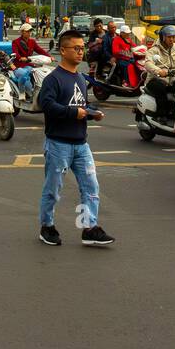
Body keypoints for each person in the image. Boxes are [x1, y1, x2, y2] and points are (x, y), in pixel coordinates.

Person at [37, 29, 114, 247]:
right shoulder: (53, 79)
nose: (81, 52)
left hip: (81, 144)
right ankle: (47, 227)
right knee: (53, 189)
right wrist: (75, 113)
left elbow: (79, 105)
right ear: (63, 50)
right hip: (58, 143)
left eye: (83, 48)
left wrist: (91, 112)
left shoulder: (80, 78)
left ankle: (89, 228)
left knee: (91, 187)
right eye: (76, 48)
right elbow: (47, 104)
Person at [141, 25, 175, 120]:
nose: (172, 39)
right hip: (155, 79)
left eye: (174, 37)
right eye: (169, 37)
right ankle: (161, 115)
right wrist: (159, 71)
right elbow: (148, 63)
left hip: (171, 80)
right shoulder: (154, 49)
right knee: (161, 89)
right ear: (162, 37)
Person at [11, 22, 50, 94]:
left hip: (30, 64)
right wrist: (20, 58)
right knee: (24, 76)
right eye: (27, 31)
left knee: (43, 74)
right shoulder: (15, 42)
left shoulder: (32, 42)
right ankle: (24, 93)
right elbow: (15, 53)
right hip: (19, 65)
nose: (29, 33)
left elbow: (40, 50)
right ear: (22, 32)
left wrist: (49, 57)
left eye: (30, 31)